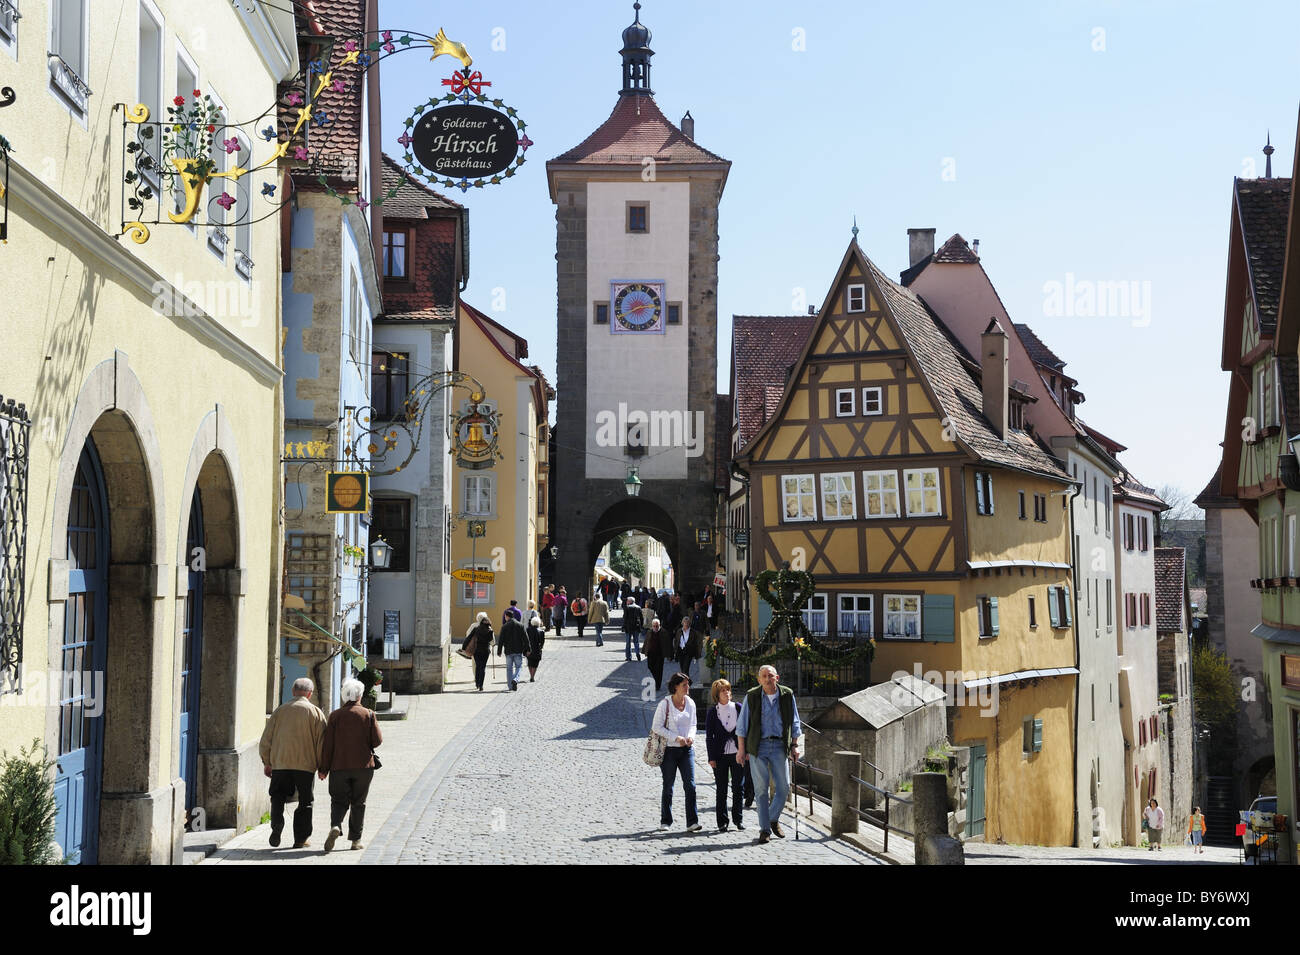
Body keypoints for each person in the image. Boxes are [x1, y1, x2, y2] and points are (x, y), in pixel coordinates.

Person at [736, 664, 802, 844]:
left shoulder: (787, 695)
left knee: (784, 787)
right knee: (761, 789)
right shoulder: (752, 696)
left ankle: (772, 818)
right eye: (764, 676)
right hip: (758, 746)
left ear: (777, 678)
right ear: (759, 679)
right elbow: (742, 726)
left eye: (770, 676)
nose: (767, 679)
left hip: (780, 745)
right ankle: (765, 829)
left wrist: (795, 745)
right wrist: (741, 750)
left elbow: (795, 722)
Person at [259, 677, 327, 849]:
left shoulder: (280, 711)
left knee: (277, 797)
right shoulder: (316, 713)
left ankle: (277, 827)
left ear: (292, 691)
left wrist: (267, 762)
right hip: (305, 766)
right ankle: (300, 839)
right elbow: (322, 742)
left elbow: (266, 740)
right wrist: (322, 766)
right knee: (305, 802)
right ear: (310, 694)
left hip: (280, 763)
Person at [319, 677, 383, 852]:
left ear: (344, 696)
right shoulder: (368, 714)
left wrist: (323, 769)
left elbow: (328, 746)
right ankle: (356, 840)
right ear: (360, 696)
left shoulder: (335, 716)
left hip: (339, 767)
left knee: (338, 800)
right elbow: (377, 741)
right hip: (363, 767)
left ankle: (336, 825)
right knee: (358, 802)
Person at [652, 672, 701, 832]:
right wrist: (676, 737)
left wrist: (690, 737)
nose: (687, 688)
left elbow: (693, 724)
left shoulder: (691, 703)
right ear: (675, 687)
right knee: (668, 786)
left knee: (691, 785)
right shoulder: (665, 704)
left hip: (687, 750)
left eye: (688, 684)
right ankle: (666, 821)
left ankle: (692, 822)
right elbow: (657, 727)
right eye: (684, 685)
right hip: (669, 751)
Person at [706, 678, 745, 832]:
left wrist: (745, 752)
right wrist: (711, 757)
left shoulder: (738, 707)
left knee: (738, 787)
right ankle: (722, 821)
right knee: (721, 789)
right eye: (723, 690)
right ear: (717, 694)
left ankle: (738, 819)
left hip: (737, 753)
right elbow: (709, 736)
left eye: (728, 689)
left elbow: (744, 731)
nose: (727, 692)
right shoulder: (712, 712)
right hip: (720, 755)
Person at [497, 610, 530, 691]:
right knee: (518, 667)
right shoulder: (520, 625)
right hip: (518, 650)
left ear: (507, 616)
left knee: (509, 669)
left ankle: (510, 686)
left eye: (505, 616)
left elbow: (501, 639)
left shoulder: (504, 626)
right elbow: (526, 638)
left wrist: (499, 650)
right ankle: (515, 679)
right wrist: (528, 649)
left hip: (508, 651)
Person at [469, 612, 494, 691]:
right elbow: (492, 641)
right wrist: (492, 645)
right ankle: (481, 685)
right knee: (483, 667)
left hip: (475, 649)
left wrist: (466, 646)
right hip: (485, 650)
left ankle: (477, 682)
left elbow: (468, 636)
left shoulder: (474, 627)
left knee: (476, 666)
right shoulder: (489, 629)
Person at [675, 615, 701, 680]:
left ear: (689, 624)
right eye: (685, 623)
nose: (686, 624)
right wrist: (675, 652)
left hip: (689, 652)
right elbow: (676, 641)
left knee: (685, 668)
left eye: (687, 623)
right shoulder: (679, 631)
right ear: (682, 623)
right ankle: (687, 681)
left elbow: (696, 644)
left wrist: (697, 654)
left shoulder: (693, 632)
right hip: (680, 651)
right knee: (682, 668)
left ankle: (686, 682)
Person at [644, 618, 665, 692]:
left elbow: (667, 644)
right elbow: (646, 642)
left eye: (657, 626)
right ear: (652, 626)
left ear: (659, 625)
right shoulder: (649, 632)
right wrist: (645, 651)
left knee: (659, 669)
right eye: (654, 626)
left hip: (660, 654)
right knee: (650, 666)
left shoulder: (663, 632)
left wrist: (669, 654)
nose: (655, 627)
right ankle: (656, 680)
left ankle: (657, 685)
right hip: (651, 653)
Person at [525, 614, 545, 682]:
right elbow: (542, 642)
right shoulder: (541, 631)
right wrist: (540, 648)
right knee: (535, 664)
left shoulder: (528, 630)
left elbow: (525, 640)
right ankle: (532, 676)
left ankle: (531, 675)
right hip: (537, 650)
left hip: (529, 649)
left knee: (530, 663)